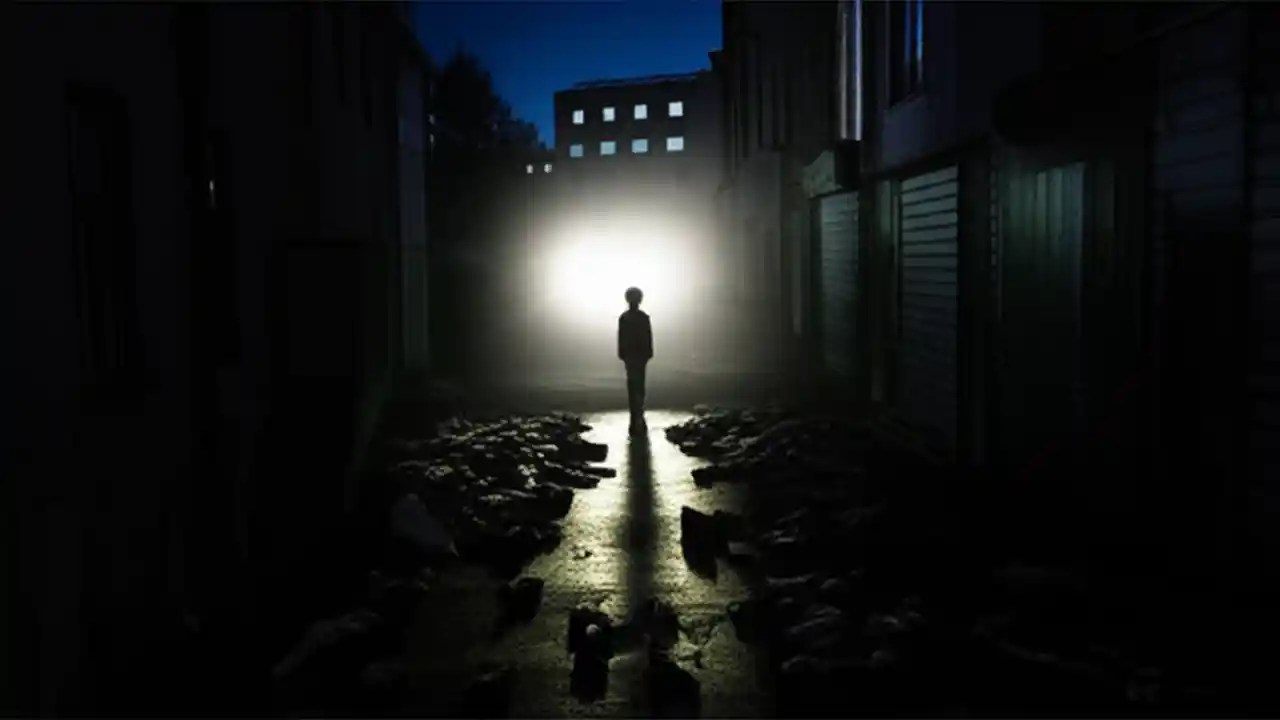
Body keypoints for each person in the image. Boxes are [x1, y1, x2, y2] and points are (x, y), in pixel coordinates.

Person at [617, 286, 653, 433]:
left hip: (633, 356)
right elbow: (648, 337)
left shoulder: (625, 318)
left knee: (633, 385)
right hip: (637, 356)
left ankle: (635, 415)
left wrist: (622, 353)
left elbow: (621, 338)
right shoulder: (642, 317)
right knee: (638, 385)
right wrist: (648, 352)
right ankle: (638, 414)